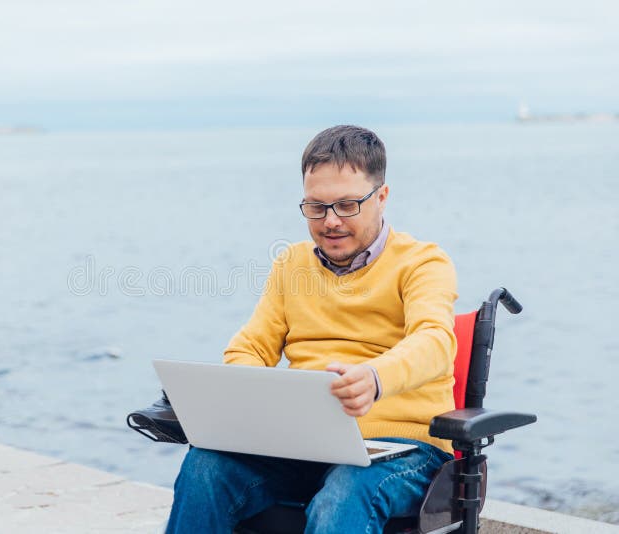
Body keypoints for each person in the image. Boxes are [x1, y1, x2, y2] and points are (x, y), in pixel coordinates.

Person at [165, 125, 458, 534]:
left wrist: (375, 378)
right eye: (316, 207)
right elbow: (249, 348)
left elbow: (435, 340)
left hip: (403, 449)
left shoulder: (423, 263)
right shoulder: (292, 264)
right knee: (206, 465)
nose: (330, 221)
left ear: (382, 197)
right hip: (305, 445)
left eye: (347, 205)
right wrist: (245, 398)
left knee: (345, 491)